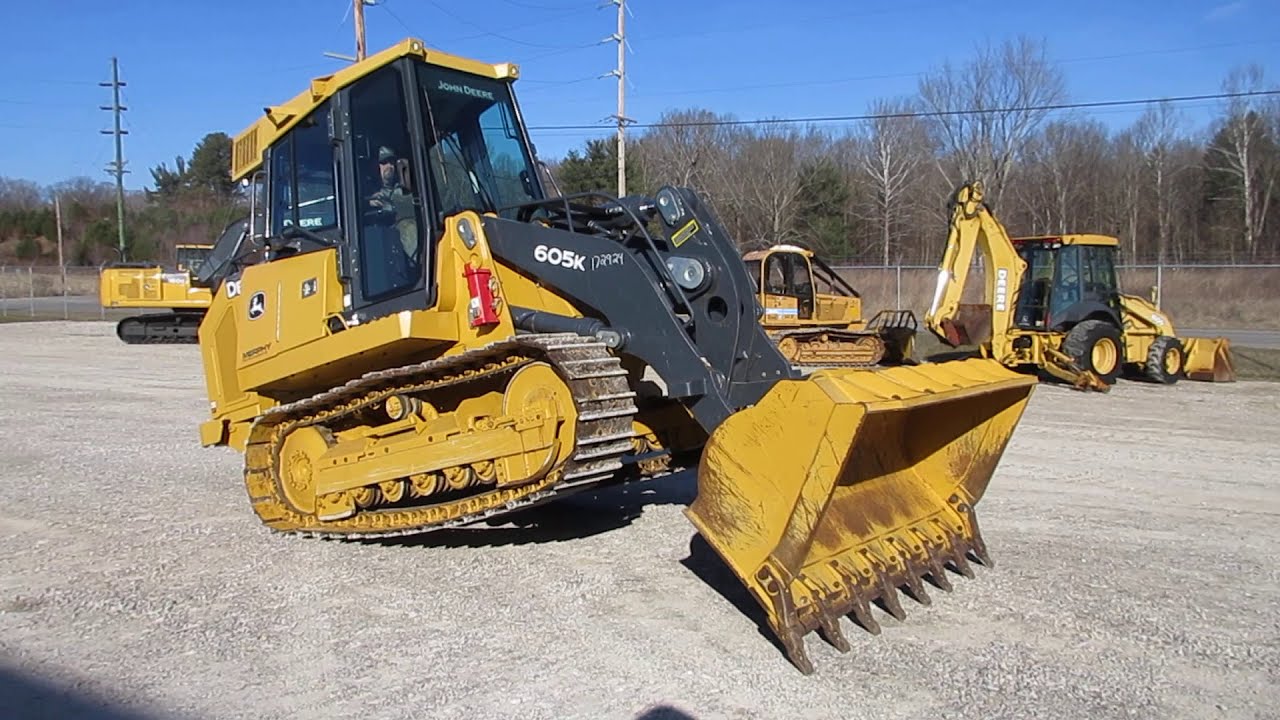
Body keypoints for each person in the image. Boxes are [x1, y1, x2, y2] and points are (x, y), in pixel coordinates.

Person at [368, 145, 419, 262]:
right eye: (384, 162)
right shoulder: (369, 194)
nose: (389, 166)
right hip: (383, 242)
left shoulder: (405, 189)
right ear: (376, 167)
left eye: (391, 162)